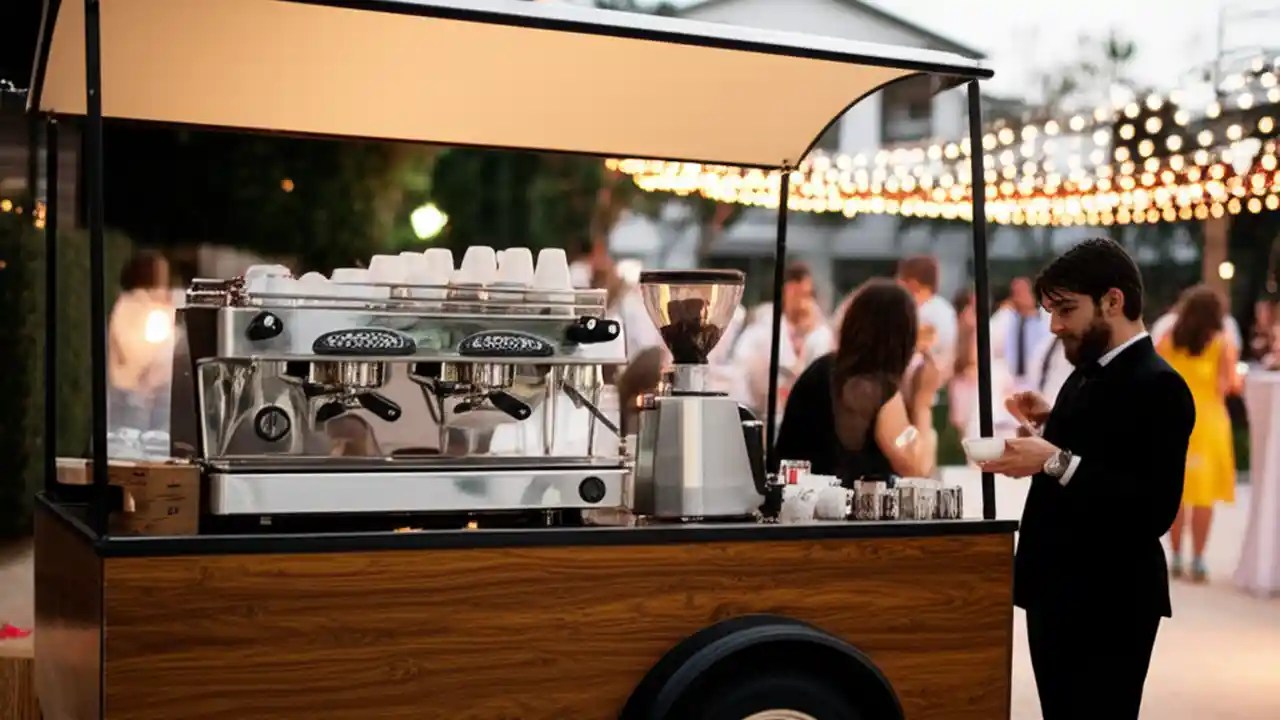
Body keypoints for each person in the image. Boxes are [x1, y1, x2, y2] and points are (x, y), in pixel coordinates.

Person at [979, 238, 1195, 720]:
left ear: (1113, 301)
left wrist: (1054, 459)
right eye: (1051, 311)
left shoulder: (1161, 385)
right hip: (1055, 587)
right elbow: (1103, 446)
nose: (1054, 326)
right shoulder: (1086, 373)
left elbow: (1151, 507)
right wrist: (1049, 424)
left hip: (1110, 597)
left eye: (1066, 310)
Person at [1157, 285, 1238, 583]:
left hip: (1173, 420)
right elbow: (1227, 386)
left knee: (1176, 492)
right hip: (1209, 422)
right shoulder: (1222, 344)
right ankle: (1199, 559)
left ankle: (1175, 555)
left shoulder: (1167, 341)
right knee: (1203, 496)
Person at [734, 262, 833, 420]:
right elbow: (744, 369)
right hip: (766, 414)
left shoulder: (820, 333)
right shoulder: (762, 328)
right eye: (797, 293)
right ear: (786, 291)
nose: (802, 302)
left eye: (807, 294)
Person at [107, 251, 176, 433]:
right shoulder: (147, 309)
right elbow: (151, 349)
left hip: (126, 387)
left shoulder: (124, 303)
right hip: (139, 392)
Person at [895, 255, 957, 396]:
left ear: (913, 283)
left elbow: (919, 347)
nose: (897, 283)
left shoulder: (932, 312)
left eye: (902, 279)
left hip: (922, 387)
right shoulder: (939, 308)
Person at [1004, 277, 1051, 390]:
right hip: (1012, 382)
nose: (1018, 297)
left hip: (1040, 381)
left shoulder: (1046, 320)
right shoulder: (1007, 319)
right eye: (1015, 293)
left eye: (1022, 292)